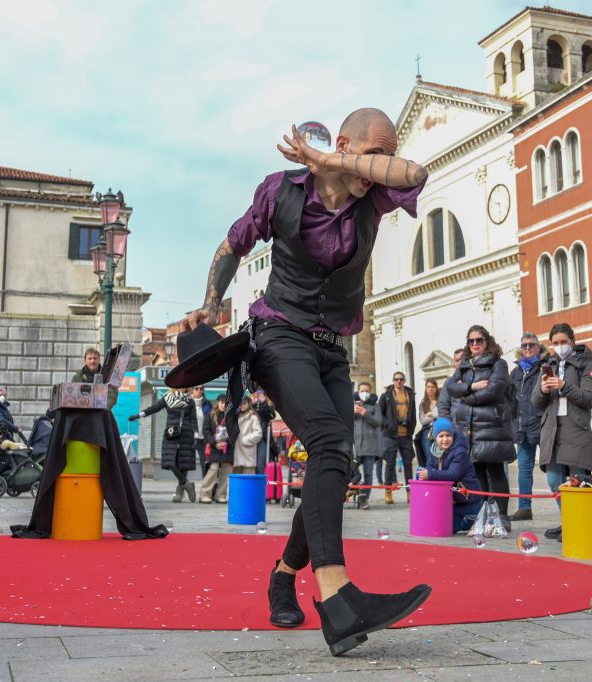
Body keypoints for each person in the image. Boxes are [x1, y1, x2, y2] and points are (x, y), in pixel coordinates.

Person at [180, 109, 431, 655]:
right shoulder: (280, 191)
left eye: (385, 155)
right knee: (328, 441)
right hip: (277, 335)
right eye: (374, 152)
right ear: (346, 142)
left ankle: (282, 572)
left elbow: (417, 174)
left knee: (335, 464)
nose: (382, 164)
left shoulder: (376, 196)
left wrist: (338, 161)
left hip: (331, 348)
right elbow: (233, 246)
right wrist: (208, 303)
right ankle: (338, 600)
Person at [532, 323, 592, 541]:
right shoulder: (548, 363)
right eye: (555, 343)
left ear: (572, 341)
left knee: (577, 481)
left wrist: (564, 386)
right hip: (552, 431)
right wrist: (543, 390)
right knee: (554, 481)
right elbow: (535, 401)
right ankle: (568, 521)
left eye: (564, 342)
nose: (560, 347)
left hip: (575, 428)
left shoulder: (585, 363)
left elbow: (590, 397)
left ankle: (579, 524)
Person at [445, 325, 516, 531]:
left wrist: (464, 397)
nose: (475, 344)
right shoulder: (465, 366)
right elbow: (451, 387)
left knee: (495, 471)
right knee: (477, 472)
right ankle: (483, 514)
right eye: (471, 341)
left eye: (479, 340)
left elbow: (493, 391)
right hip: (469, 428)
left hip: (492, 426)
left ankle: (502, 515)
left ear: (487, 341)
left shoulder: (499, 364)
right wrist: (471, 387)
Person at [130, 388, 198, 502]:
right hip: (170, 434)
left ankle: (179, 493)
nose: (181, 387)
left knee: (183, 463)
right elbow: (154, 408)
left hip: (186, 434)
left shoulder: (190, 401)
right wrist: (138, 415)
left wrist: (195, 436)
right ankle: (187, 484)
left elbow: (193, 419)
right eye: (179, 385)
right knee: (170, 462)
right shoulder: (167, 398)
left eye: (184, 385)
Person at [416, 417, 484, 533]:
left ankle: (474, 521)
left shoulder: (460, 452)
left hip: (470, 503)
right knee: (438, 525)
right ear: (435, 437)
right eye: (441, 436)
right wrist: (422, 474)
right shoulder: (434, 452)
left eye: (448, 435)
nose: (445, 439)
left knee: (447, 527)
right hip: (453, 503)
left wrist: (430, 474)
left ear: (453, 435)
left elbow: (453, 474)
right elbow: (429, 468)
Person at [509, 332, 545, 522]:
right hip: (522, 428)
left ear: (538, 347)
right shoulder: (515, 372)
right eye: (524, 346)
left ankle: (565, 508)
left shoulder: (545, 368)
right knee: (524, 469)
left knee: (554, 470)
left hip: (542, 425)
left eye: (532, 345)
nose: (528, 348)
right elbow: (509, 400)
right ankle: (524, 508)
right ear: (520, 349)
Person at [378, 371, 417, 504]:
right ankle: (388, 492)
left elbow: (413, 412)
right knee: (390, 464)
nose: (398, 382)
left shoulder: (410, 394)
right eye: (396, 379)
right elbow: (380, 413)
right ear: (393, 381)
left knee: (408, 464)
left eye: (401, 379)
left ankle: (410, 492)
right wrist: (387, 425)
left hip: (406, 435)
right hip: (391, 435)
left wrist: (411, 427)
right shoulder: (386, 396)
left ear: (404, 381)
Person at [351, 381, 382, 509]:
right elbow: (344, 420)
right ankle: (356, 493)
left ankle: (365, 499)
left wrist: (365, 413)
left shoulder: (375, 405)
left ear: (370, 392)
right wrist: (352, 412)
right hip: (355, 445)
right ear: (358, 392)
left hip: (370, 445)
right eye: (362, 390)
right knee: (352, 471)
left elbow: (378, 422)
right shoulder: (352, 404)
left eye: (367, 391)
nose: (364, 393)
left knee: (368, 473)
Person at [199, 396, 231, 503]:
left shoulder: (231, 417)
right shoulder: (211, 415)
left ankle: (221, 495)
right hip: (214, 448)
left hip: (228, 448)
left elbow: (235, 432)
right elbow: (206, 431)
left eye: (226, 403)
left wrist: (227, 442)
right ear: (218, 403)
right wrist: (214, 443)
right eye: (222, 402)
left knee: (226, 472)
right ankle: (204, 494)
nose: (223, 405)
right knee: (213, 470)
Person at [233, 395, 263, 475]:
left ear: (248, 404)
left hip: (248, 451)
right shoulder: (235, 416)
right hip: (236, 452)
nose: (242, 405)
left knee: (248, 477)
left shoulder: (253, 417)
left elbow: (258, 433)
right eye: (240, 403)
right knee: (237, 478)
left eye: (244, 403)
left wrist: (246, 439)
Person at [414, 378, 440, 468]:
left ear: (436, 388)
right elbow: (422, 420)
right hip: (427, 431)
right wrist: (436, 415)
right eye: (428, 387)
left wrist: (431, 414)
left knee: (441, 457)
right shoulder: (423, 403)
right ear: (425, 388)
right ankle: (430, 477)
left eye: (433, 387)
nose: (430, 389)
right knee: (429, 457)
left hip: (440, 430)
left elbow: (443, 416)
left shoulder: (441, 401)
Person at [252, 389, 277, 474]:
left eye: (261, 392)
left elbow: (271, 415)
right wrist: (252, 403)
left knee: (260, 464)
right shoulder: (250, 403)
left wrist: (263, 403)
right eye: (257, 392)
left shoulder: (268, 403)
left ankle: (261, 485)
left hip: (263, 436)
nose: (258, 394)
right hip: (250, 435)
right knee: (250, 465)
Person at [191, 386, 213, 476]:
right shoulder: (187, 403)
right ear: (192, 390)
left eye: (201, 389)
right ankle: (184, 484)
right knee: (184, 462)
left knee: (205, 463)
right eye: (196, 388)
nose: (199, 391)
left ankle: (206, 485)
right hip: (190, 438)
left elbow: (212, 421)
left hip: (203, 439)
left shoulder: (208, 404)